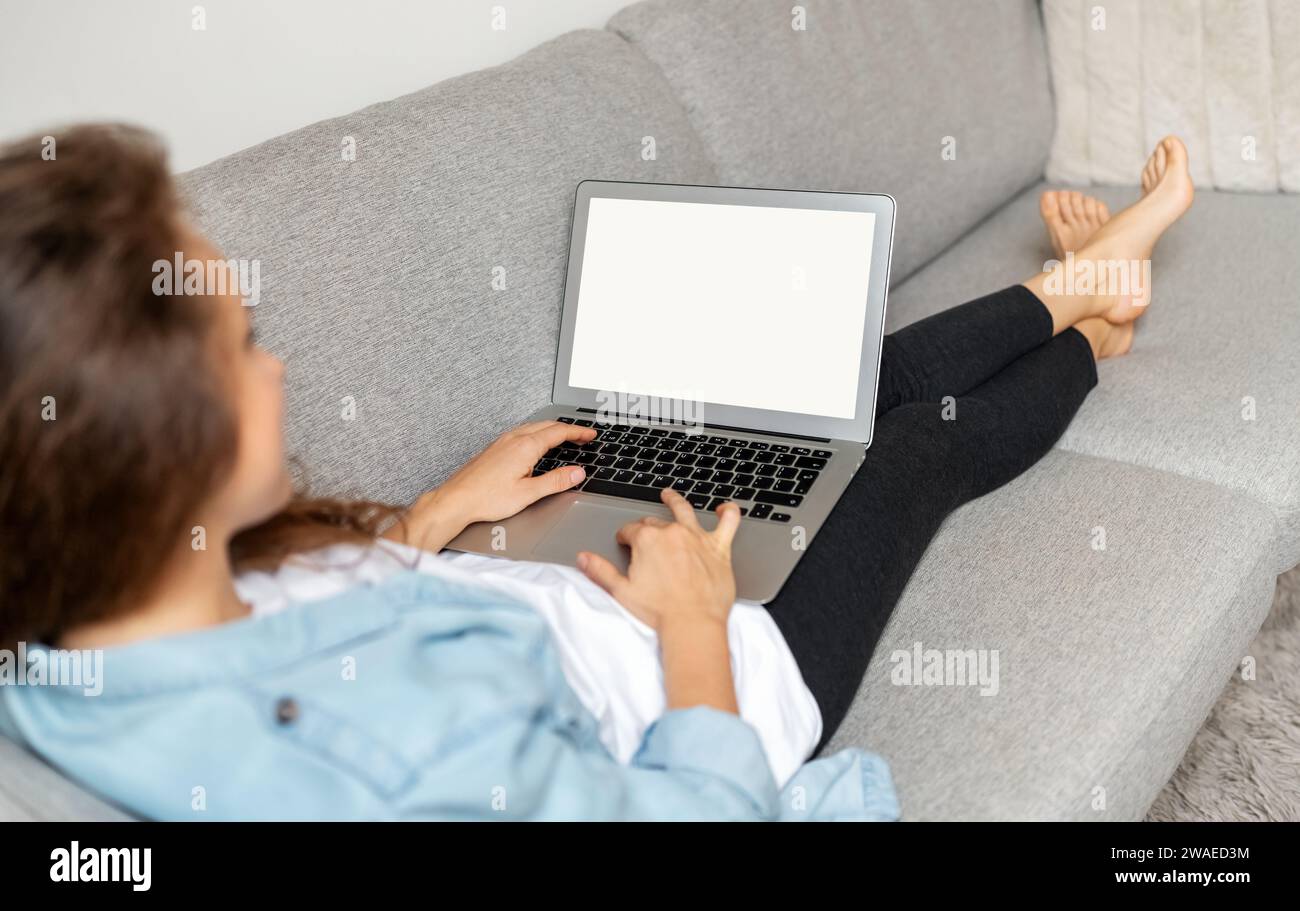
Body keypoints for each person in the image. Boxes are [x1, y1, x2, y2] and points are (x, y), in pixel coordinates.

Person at [0, 125, 1193, 820]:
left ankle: (1066, 292)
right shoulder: (396, 759)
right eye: (245, 348)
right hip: (710, 676)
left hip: (566, 591)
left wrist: (434, 516)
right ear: (151, 452)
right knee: (908, 455)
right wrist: (692, 629)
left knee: (829, 390)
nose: (279, 369)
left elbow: (309, 623)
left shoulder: (97, 623)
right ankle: (1099, 327)